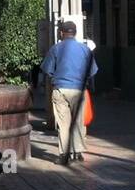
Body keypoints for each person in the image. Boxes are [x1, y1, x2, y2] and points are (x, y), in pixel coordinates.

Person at [40, 21, 98, 165]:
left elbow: (47, 69)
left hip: (61, 89)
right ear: (76, 33)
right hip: (79, 90)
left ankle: (64, 155)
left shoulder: (56, 49)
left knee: (63, 124)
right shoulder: (85, 50)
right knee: (78, 122)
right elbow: (92, 71)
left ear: (61, 33)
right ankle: (77, 153)